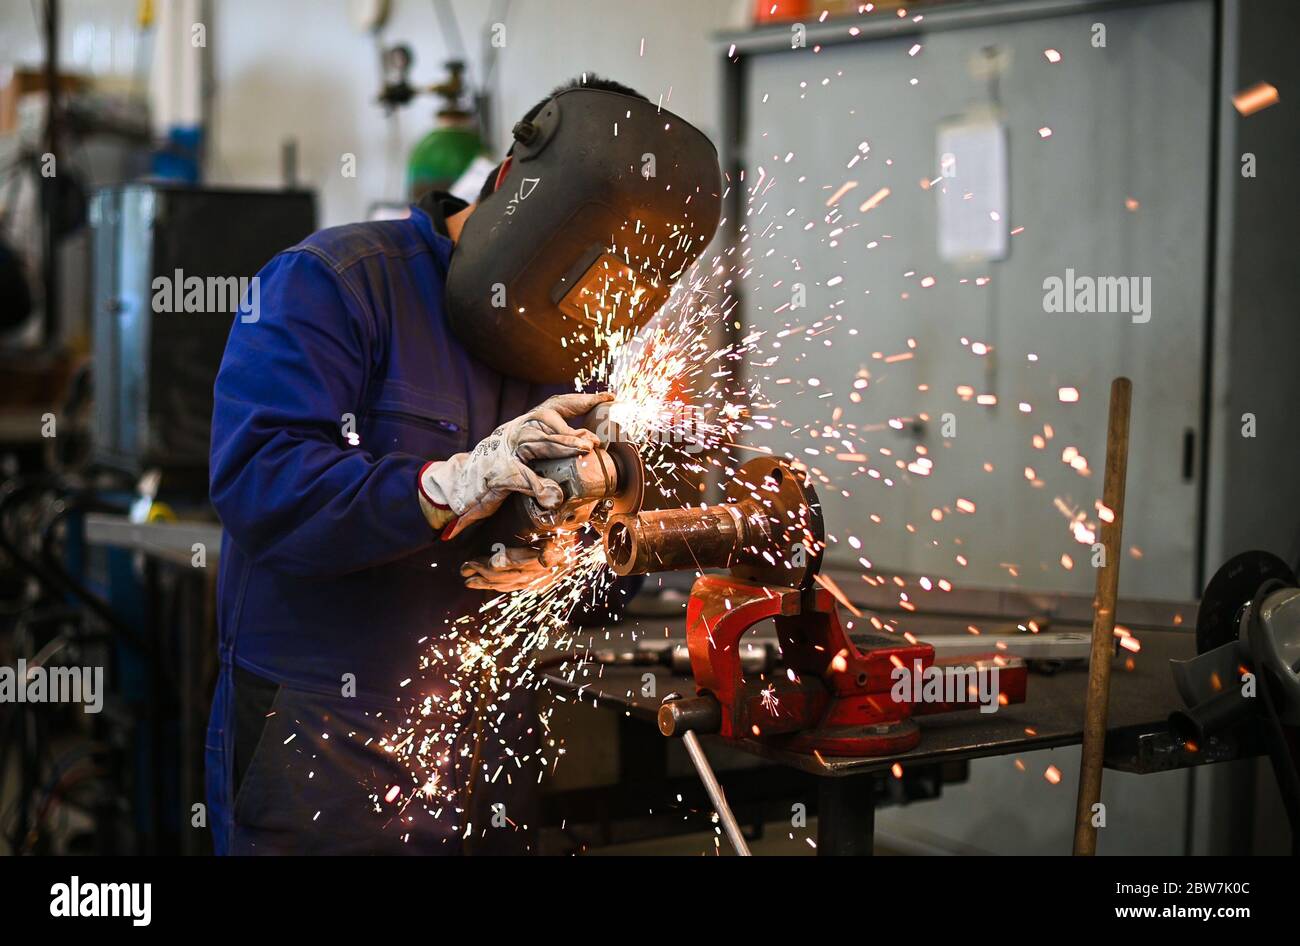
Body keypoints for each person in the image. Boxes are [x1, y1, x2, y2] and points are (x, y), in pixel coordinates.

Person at [204, 75, 720, 854]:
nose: (586, 295)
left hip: (488, 742)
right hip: (322, 741)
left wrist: (576, 544)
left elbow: (604, 580)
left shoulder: (578, 346)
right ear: (513, 183)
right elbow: (261, 482)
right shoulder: (335, 284)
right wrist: (449, 488)